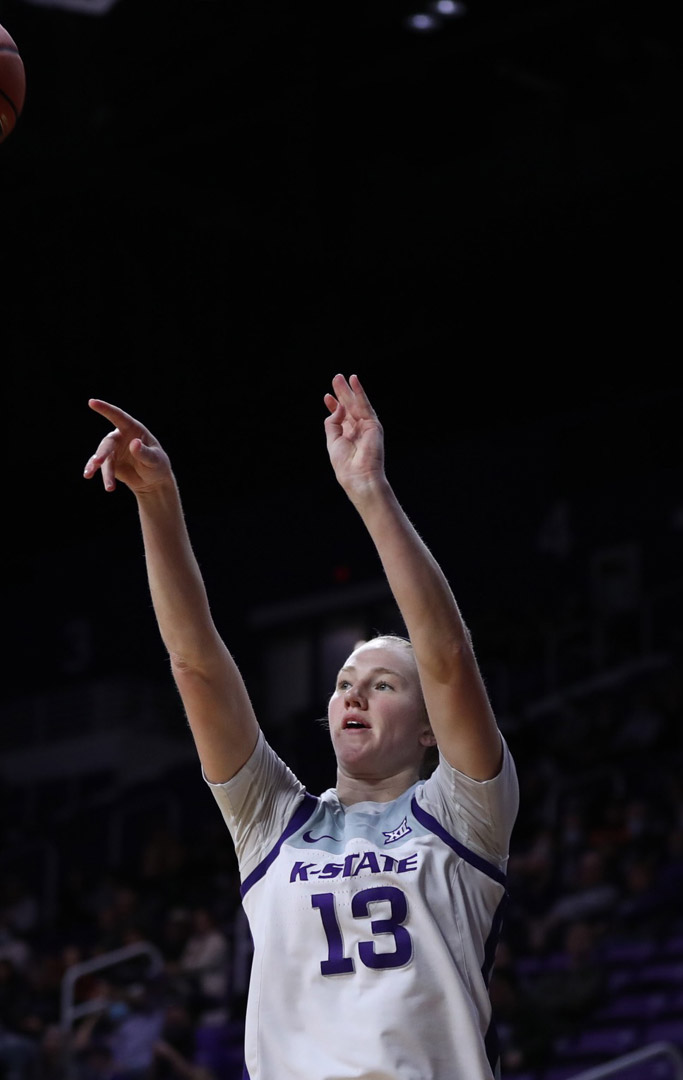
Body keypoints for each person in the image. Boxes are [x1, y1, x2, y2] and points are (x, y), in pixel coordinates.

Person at [82, 375, 519, 1078]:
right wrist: (158, 503)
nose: (355, 695)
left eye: (383, 685)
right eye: (346, 683)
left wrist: (369, 491)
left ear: (430, 726)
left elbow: (446, 657)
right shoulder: (271, 820)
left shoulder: (465, 812)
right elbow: (195, 664)